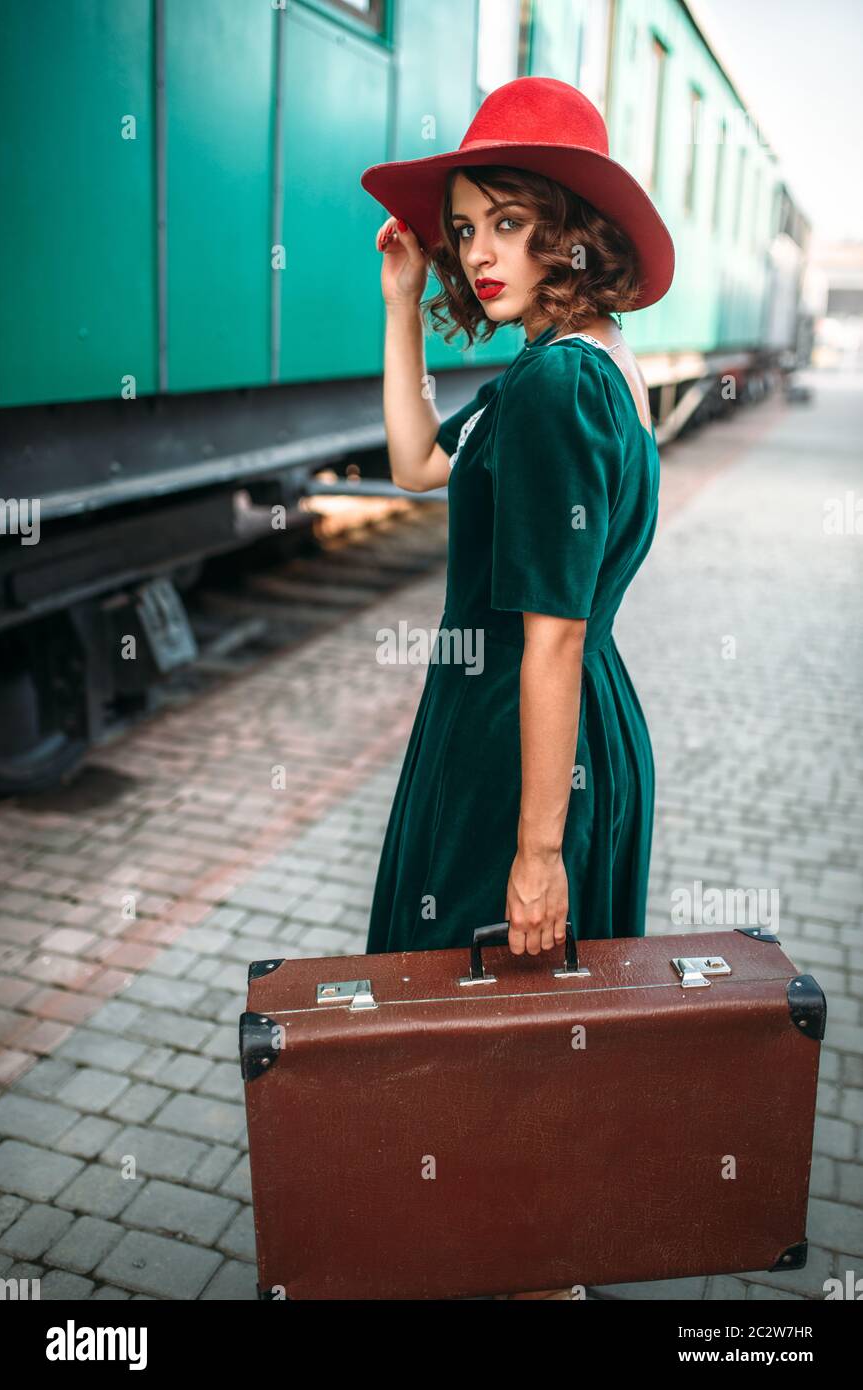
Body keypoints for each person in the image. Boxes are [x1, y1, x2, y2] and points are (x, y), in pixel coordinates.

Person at [359, 77, 675, 1300]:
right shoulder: (584, 365)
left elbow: (547, 637)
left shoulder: (552, 387)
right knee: (531, 1056)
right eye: (466, 225)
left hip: (520, 741)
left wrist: (535, 853)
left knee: (485, 1062)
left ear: (570, 229)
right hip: (569, 730)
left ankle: (530, 1273)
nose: (479, 252)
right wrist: (400, 305)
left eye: (508, 221)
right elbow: (414, 463)